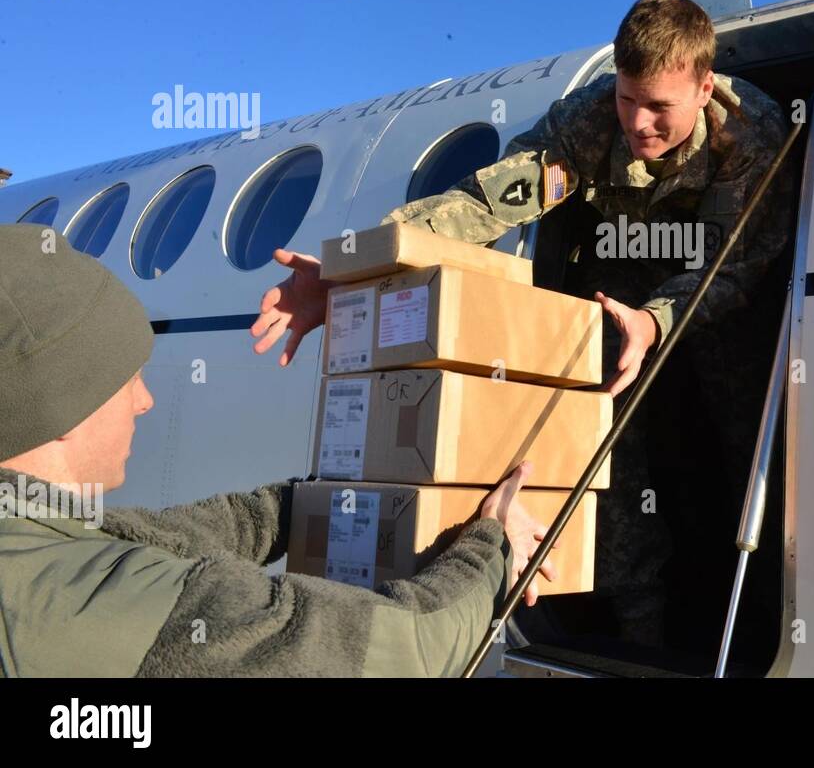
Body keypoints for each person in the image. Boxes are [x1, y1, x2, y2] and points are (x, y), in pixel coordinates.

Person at [253, 0, 796, 648]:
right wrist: (352, 267)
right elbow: (488, 203)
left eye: (660, 107)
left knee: (750, 444)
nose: (639, 124)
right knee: (607, 452)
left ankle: (761, 619)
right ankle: (645, 635)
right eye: (628, 100)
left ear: (704, 86)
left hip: (714, 288)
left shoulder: (753, 134)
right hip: (619, 279)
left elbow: (736, 266)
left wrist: (658, 322)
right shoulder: (592, 122)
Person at [0, 222, 552, 677]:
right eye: (128, 380)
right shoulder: (107, 610)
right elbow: (410, 648)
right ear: (64, 409)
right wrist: (493, 543)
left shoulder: (32, 538)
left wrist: (332, 493)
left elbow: (176, 534)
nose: (143, 402)